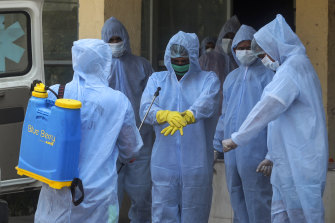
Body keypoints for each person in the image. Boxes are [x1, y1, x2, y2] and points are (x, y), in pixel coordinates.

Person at [222, 14, 328, 223]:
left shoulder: (292, 70)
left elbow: (267, 108)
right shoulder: (294, 66)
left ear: (275, 46)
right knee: (280, 214)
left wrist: (237, 138)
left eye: (263, 54)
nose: (263, 60)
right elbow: (279, 120)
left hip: (299, 159)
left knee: (303, 215)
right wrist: (271, 155)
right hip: (288, 158)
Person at [35, 39, 143, 223]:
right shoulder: (118, 101)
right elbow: (131, 149)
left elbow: (38, 140)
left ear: (76, 60)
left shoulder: (55, 93)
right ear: (105, 63)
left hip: (57, 193)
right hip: (99, 198)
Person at [140, 31, 220, 223]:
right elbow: (145, 109)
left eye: (185, 61)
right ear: (168, 58)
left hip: (197, 163)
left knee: (195, 213)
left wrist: (188, 116)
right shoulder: (157, 80)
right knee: (162, 214)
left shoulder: (208, 80)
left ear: (193, 57)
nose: (180, 64)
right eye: (176, 60)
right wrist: (163, 114)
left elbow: (207, 103)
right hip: (163, 164)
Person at [213, 24, 274, 223]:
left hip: (257, 151)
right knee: (236, 198)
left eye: (249, 46)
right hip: (232, 153)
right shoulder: (231, 78)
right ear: (234, 50)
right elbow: (225, 115)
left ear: (258, 48)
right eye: (240, 47)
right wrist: (216, 145)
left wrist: (272, 151)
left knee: (259, 200)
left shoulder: (268, 76)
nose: (244, 51)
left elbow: (274, 118)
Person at [101, 17, 154, 223]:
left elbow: (152, 101)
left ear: (125, 38)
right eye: (110, 39)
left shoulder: (142, 66)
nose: (115, 43)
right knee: (110, 196)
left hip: (140, 138)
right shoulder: (99, 68)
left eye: (118, 38)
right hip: (109, 142)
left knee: (142, 193)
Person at [199, 15, 241, 99]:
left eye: (233, 37)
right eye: (226, 37)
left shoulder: (240, 60)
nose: (229, 40)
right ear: (221, 36)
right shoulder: (207, 58)